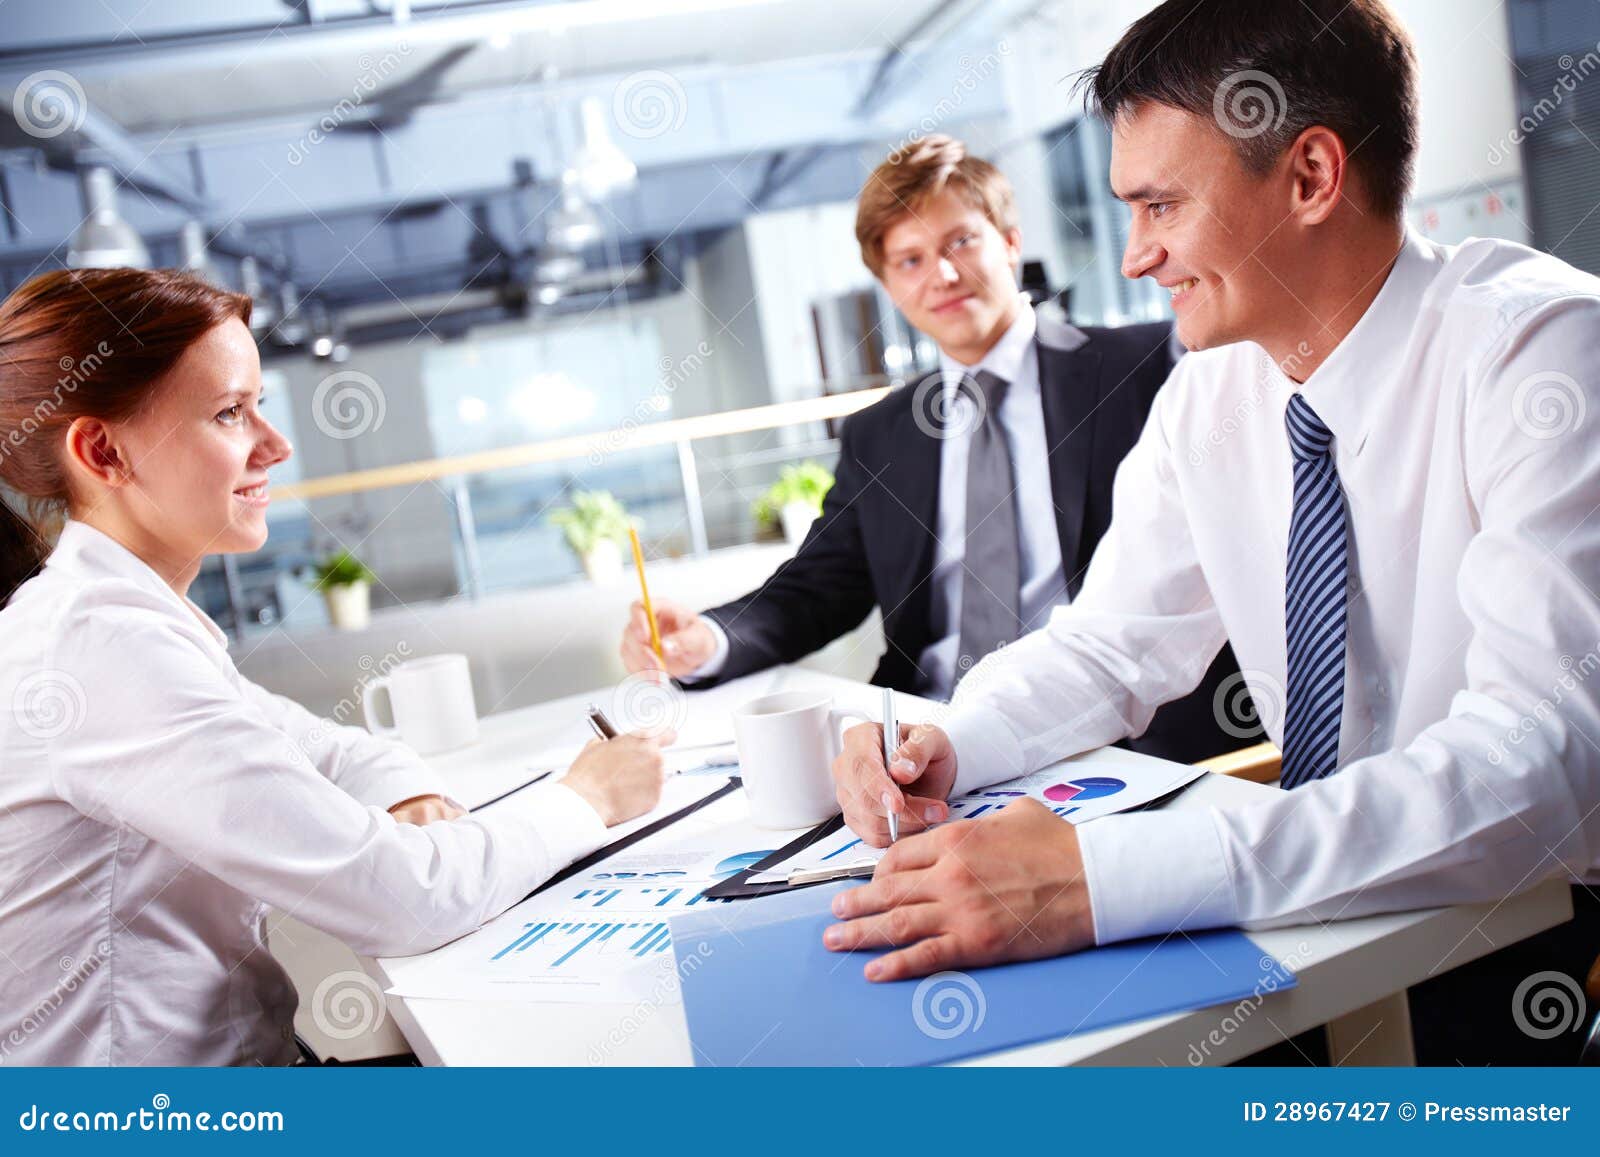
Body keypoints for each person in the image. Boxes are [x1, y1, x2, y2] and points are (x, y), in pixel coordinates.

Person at [824, 0, 1600, 1063]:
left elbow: (1543, 771)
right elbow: (1111, 643)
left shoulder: (1542, 353)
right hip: (1332, 902)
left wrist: (1102, 878)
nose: (1135, 256)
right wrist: (951, 741)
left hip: (1540, 928)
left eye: (1160, 207)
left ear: (1311, 175)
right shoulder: (1213, 391)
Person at [0, 268, 669, 1066]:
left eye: (260, 406)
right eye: (228, 413)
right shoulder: (98, 650)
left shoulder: (121, 620)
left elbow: (331, 748)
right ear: (102, 450)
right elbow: (403, 898)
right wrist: (587, 795)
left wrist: (410, 791)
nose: (275, 446)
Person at [620, 135, 1250, 765]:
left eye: (960, 243)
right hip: (926, 734)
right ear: (889, 285)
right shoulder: (881, 435)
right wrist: (708, 639)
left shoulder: (1147, 368)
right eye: (910, 260)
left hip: (1116, 732)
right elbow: (816, 590)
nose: (942, 276)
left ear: (1009, 241)